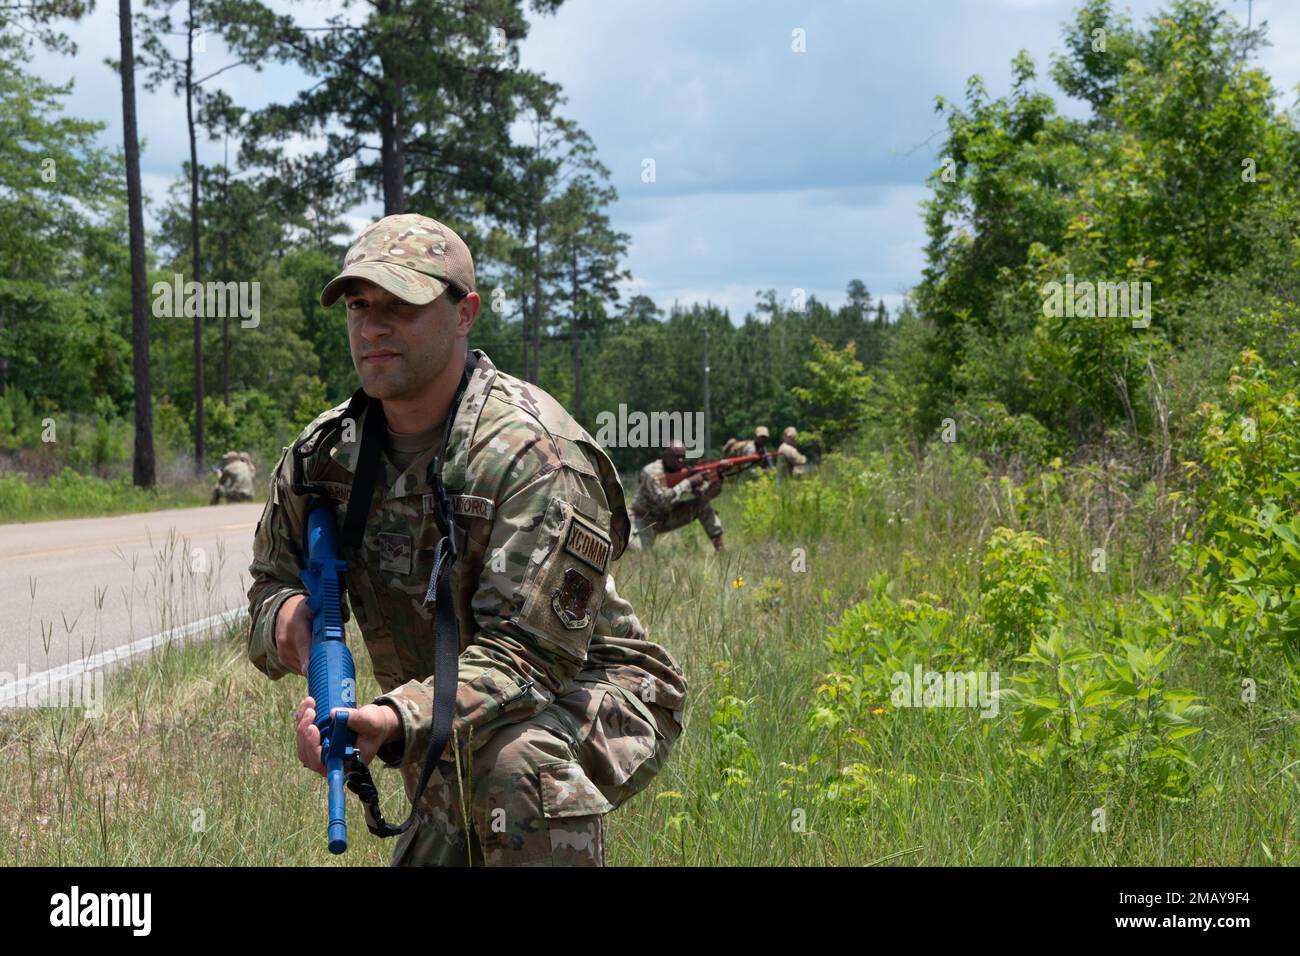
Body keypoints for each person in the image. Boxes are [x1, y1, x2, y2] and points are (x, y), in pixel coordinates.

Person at [246, 213, 686, 866]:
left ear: (464, 313)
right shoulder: (324, 458)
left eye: (402, 304)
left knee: (518, 769)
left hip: (589, 693)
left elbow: (529, 658)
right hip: (441, 719)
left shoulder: (534, 455)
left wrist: (394, 721)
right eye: (360, 305)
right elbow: (267, 584)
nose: (373, 326)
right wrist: (288, 624)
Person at [626, 440, 724, 552]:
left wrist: (717, 479)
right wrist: (688, 482)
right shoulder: (652, 472)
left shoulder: (685, 472)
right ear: (665, 456)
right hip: (643, 519)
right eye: (676, 457)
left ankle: (720, 549)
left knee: (702, 505)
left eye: (683, 457)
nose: (680, 460)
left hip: (667, 516)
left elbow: (704, 496)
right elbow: (663, 500)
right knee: (635, 551)